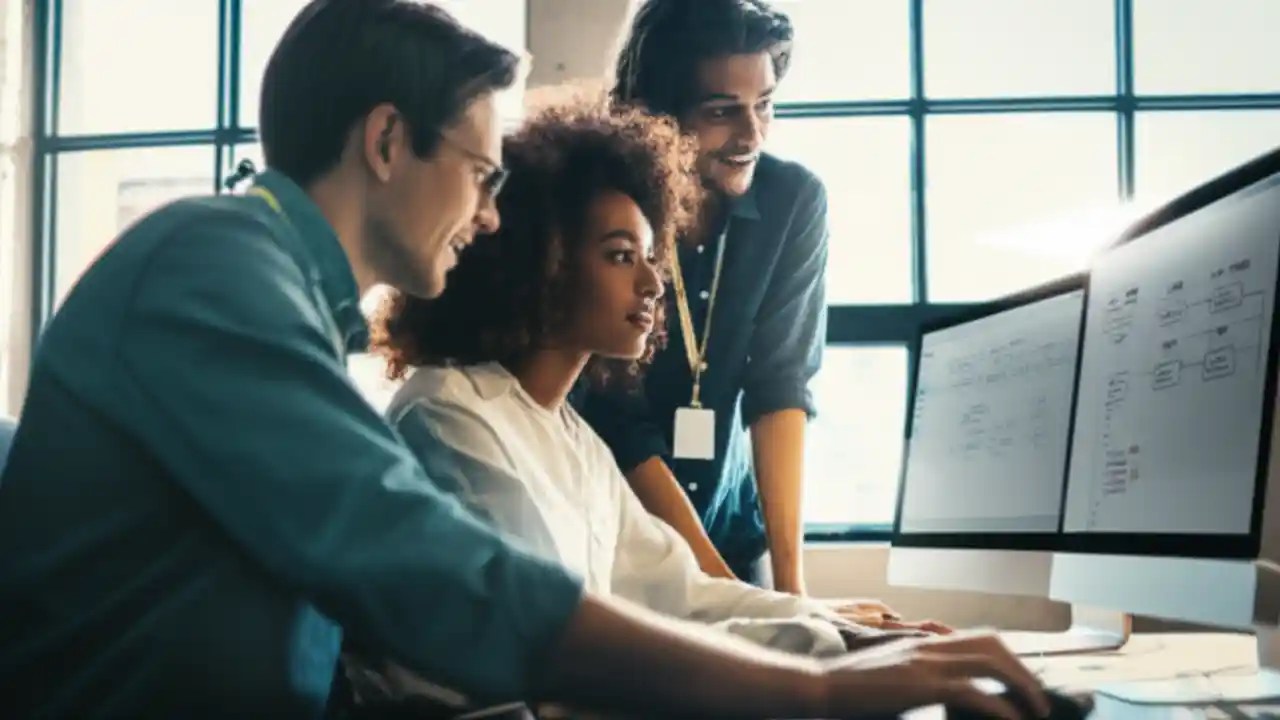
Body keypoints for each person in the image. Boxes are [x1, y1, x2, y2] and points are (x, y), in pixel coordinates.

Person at [0, 1, 1045, 719]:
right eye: (481, 173)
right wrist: (819, 694)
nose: (493, 214)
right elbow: (425, 569)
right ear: (384, 143)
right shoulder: (212, 264)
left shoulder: (273, 294)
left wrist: (844, 647)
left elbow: (667, 588)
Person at [370, 93, 940, 681]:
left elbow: (684, 594)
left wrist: (836, 629)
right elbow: (556, 642)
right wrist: (827, 653)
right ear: (541, 263)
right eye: (621, 256)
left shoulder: (575, 441)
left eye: (650, 255)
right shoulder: (452, 414)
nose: (652, 282)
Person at [573, 0, 832, 595]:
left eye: (764, 105)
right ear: (658, 114)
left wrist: (792, 598)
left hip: (732, 537)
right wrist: (719, 592)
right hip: (622, 542)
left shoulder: (794, 200)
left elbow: (780, 387)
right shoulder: (607, 208)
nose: (751, 135)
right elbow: (615, 415)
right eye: (722, 112)